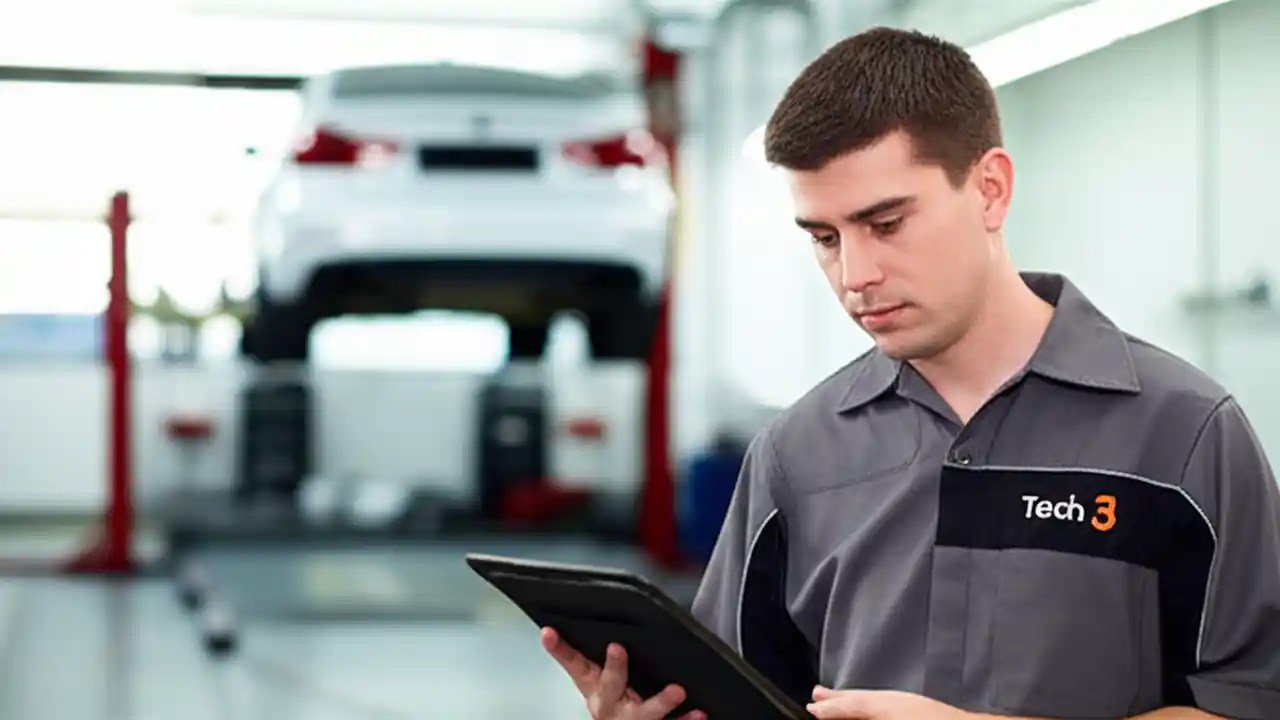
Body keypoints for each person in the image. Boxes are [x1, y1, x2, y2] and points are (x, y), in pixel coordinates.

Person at [541, 26, 1280, 720]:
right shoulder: (795, 456)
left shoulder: (1184, 435)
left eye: (886, 224)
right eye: (825, 238)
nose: (855, 275)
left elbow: (1253, 701)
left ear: (989, 189)